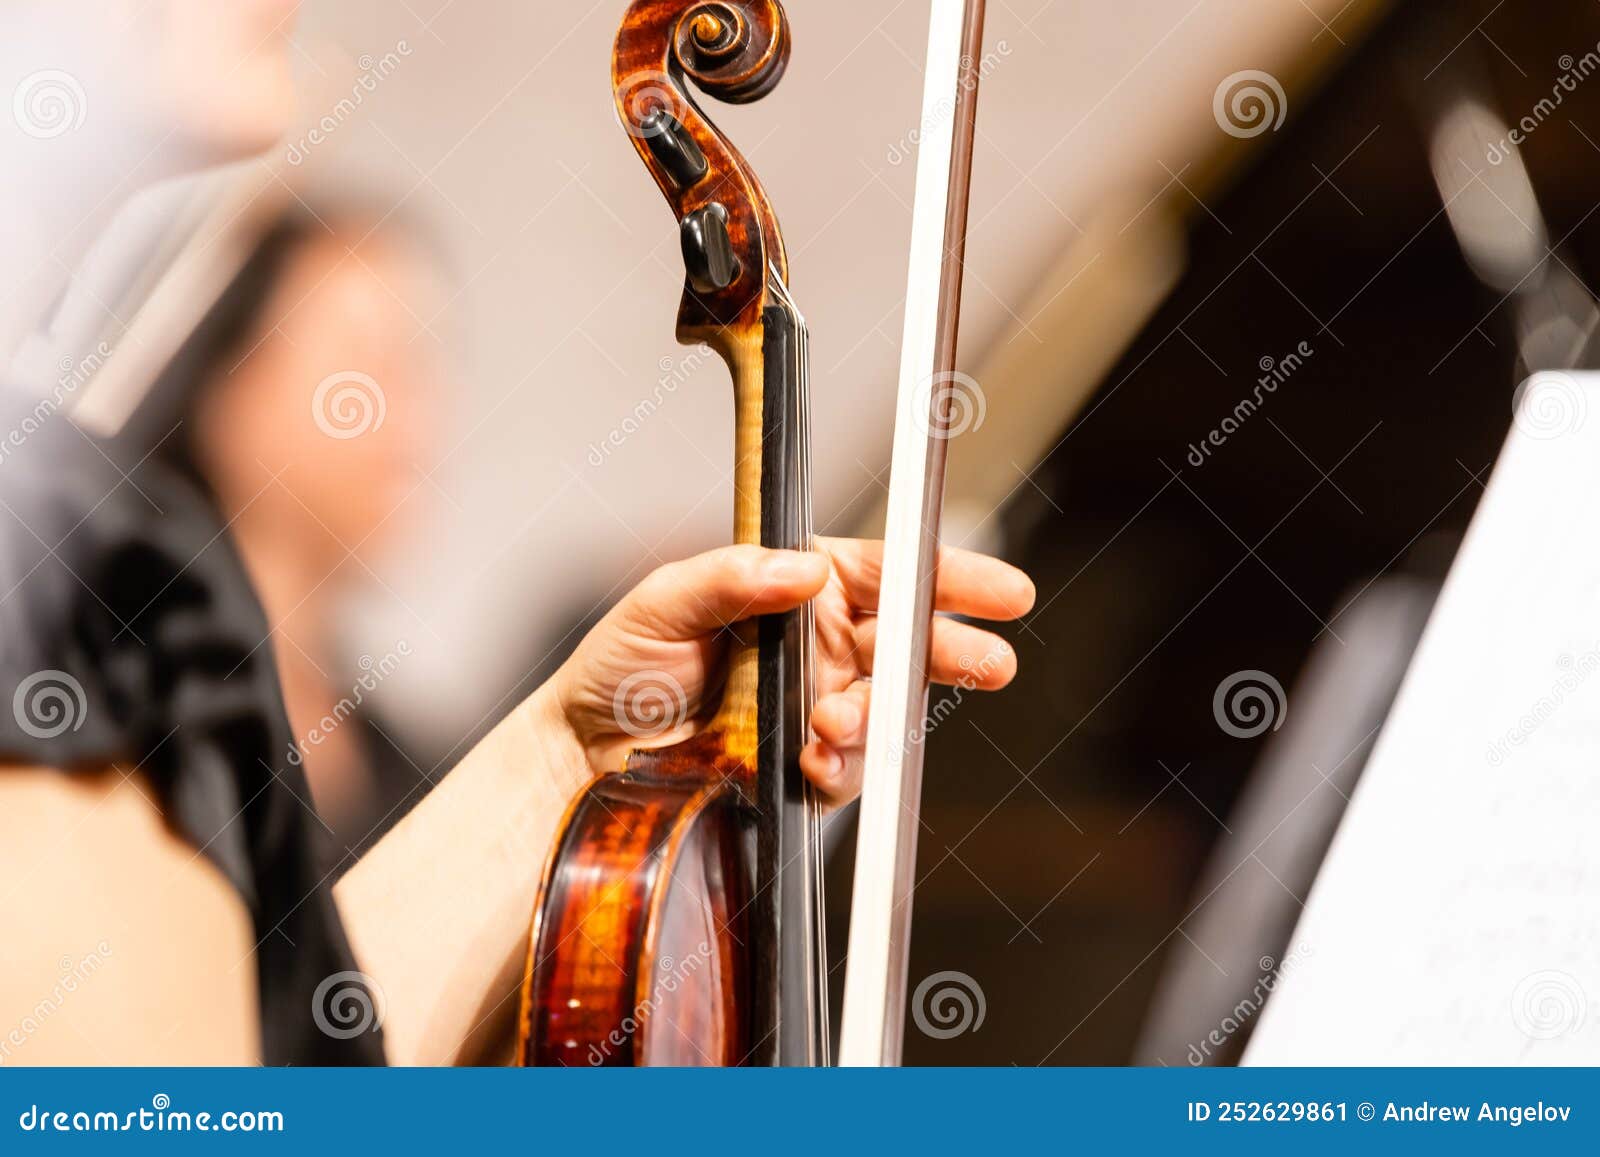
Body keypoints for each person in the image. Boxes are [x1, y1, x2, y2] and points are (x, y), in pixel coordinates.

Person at [0, 1, 1034, 1066]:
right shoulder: (65, 565)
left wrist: (571, 752)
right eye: (365, 365)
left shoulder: (102, 569)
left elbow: (281, 1064)